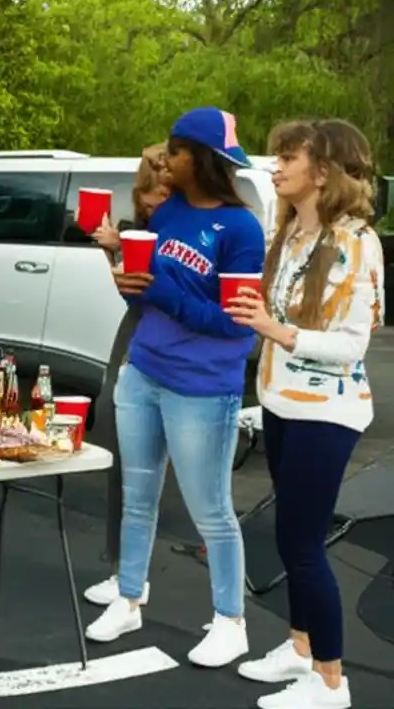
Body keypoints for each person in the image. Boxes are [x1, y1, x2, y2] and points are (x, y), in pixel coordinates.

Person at [87, 107, 263, 669]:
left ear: (204, 160)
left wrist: (157, 290)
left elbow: (234, 322)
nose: (167, 160)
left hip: (203, 387)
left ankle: (231, 621)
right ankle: (130, 597)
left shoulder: (241, 230)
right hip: (143, 371)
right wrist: (126, 278)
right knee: (138, 500)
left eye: (177, 152)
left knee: (211, 509)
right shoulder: (170, 213)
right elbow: (144, 297)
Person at [226, 119, 383, 709]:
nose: (275, 166)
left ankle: (331, 682)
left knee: (302, 542)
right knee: (289, 535)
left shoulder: (355, 241)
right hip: (281, 404)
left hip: (329, 412)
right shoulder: (289, 233)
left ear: (322, 172)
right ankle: (299, 648)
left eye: (286, 158)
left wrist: (278, 331)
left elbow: (352, 346)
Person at [82, 143, 172, 608]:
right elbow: (132, 299)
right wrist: (113, 253)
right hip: (136, 333)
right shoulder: (144, 228)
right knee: (115, 435)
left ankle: (227, 613)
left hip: (172, 347)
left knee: (164, 469)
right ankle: (121, 571)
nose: (152, 200)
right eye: (146, 191)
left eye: (161, 190)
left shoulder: (187, 230)